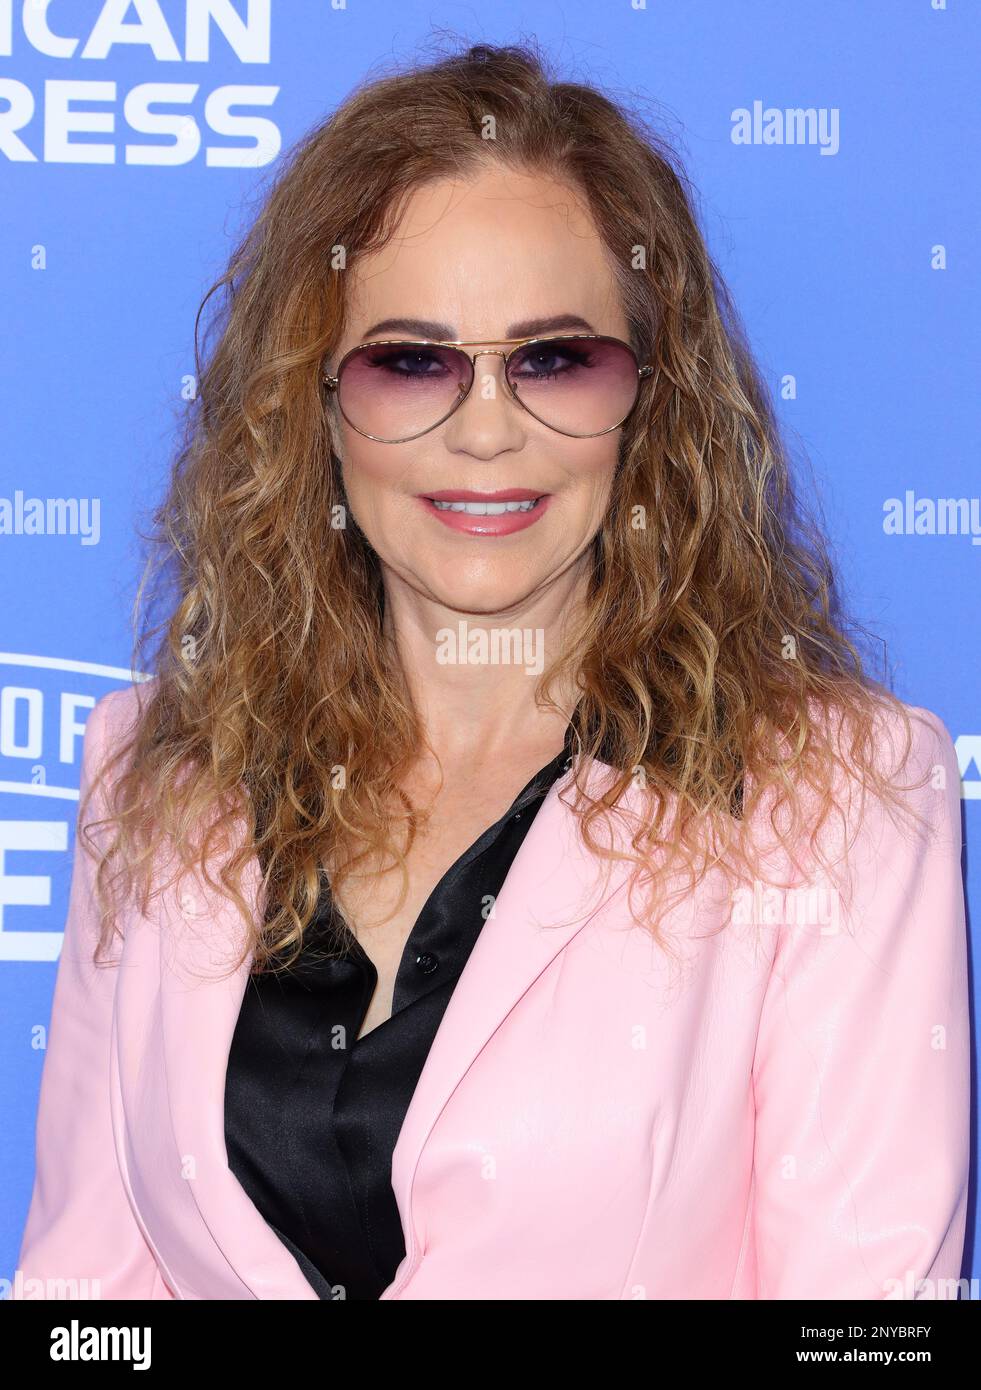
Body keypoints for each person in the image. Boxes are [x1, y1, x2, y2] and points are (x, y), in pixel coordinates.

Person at [13, 42, 969, 1301]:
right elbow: (87, 1308)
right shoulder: (156, 781)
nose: (483, 428)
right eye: (411, 360)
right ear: (316, 407)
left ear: (652, 401)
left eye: (553, 358)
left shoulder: (837, 804)